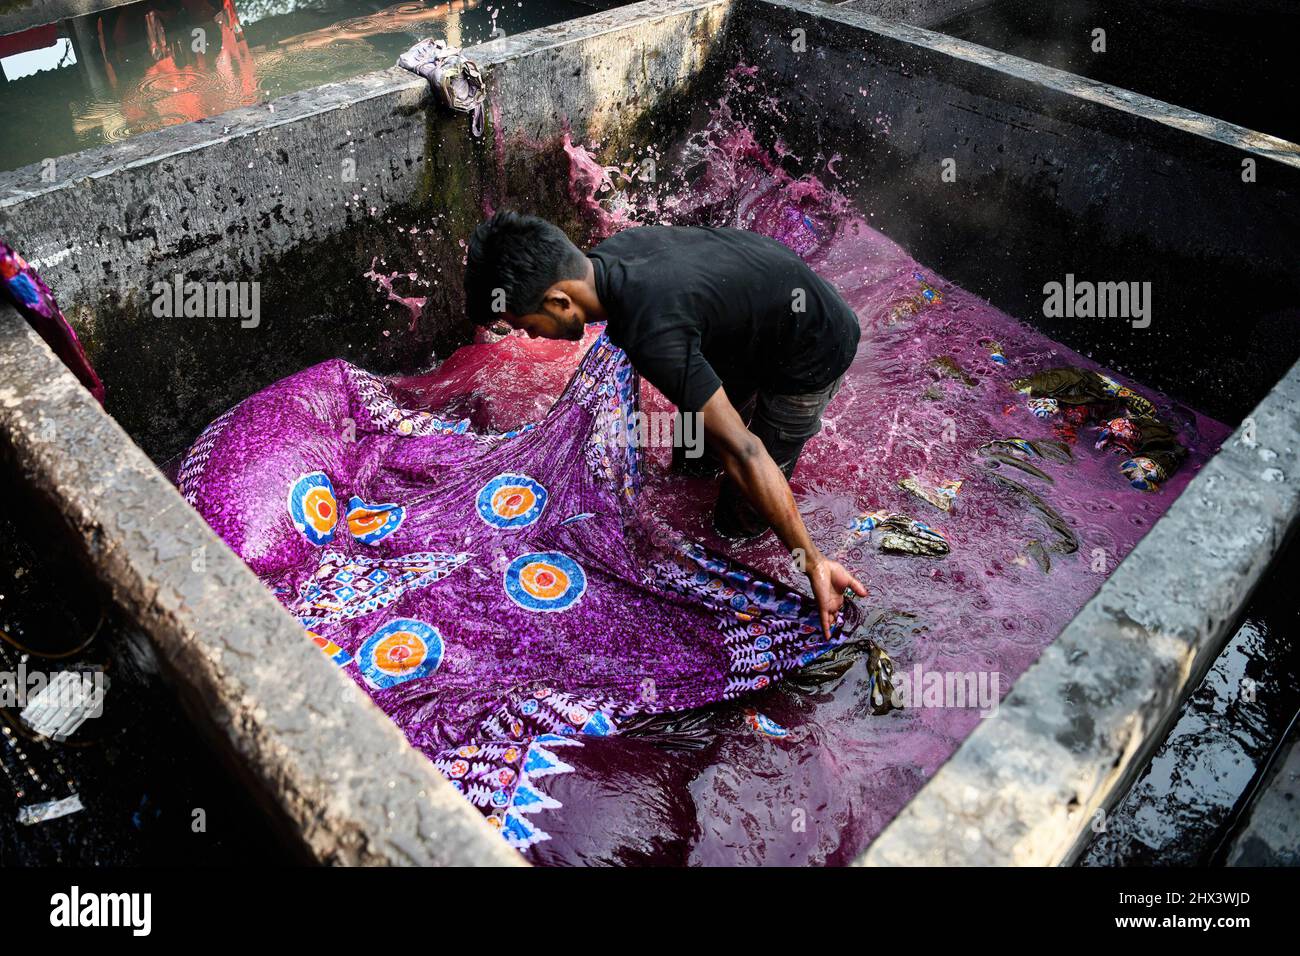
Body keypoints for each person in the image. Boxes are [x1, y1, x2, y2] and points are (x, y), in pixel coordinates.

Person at [463, 211, 866, 638]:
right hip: (748, 327)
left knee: (736, 523)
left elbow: (745, 452)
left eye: (527, 326)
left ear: (561, 301)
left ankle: (748, 558)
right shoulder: (613, 260)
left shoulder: (652, 328)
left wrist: (813, 561)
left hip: (814, 346)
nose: (530, 338)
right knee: (692, 465)